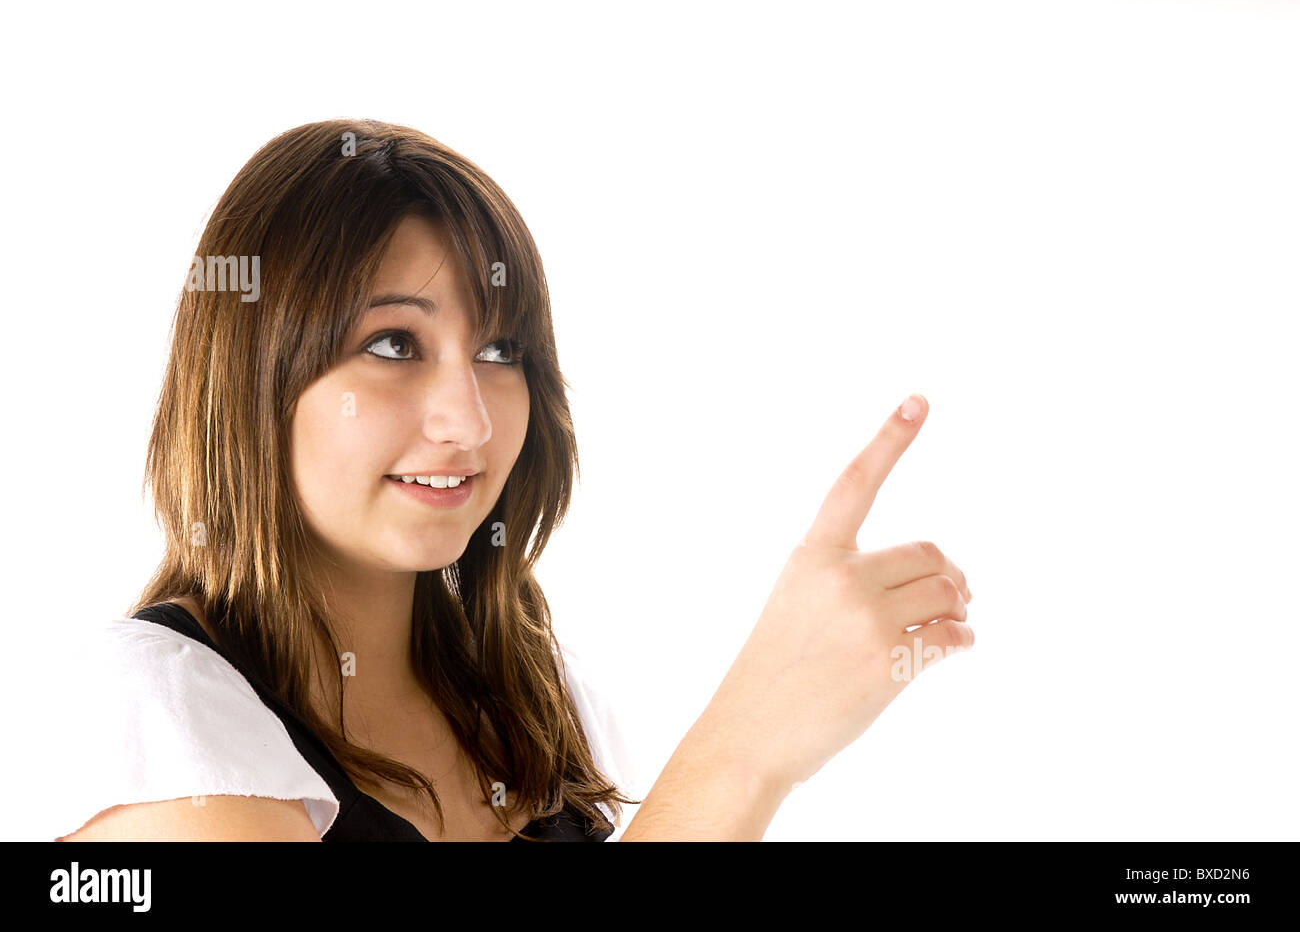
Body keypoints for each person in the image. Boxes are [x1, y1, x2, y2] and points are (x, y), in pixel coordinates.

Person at [57, 119, 973, 842]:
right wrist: (749, 746)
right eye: (392, 344)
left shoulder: (536, 695)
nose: (472, 420)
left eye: (500, 349)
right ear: (251, 378)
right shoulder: (152, 715)